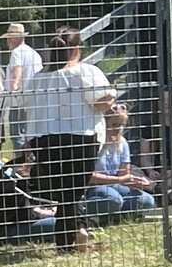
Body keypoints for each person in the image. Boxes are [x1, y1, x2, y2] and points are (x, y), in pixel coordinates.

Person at [20, 25, 115, 252]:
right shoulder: (86, 72)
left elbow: (24, 105)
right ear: (77, 49)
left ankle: (74, 237)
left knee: (66, 192)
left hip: (44, 141)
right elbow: (101, 102)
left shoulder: (38, 78)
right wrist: (111, 99)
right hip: (80, 139)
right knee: (72, 191)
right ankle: (75, 238)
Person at [83, 103, 155, 221]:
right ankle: (90, 213)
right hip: (93, 188)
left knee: (147, 200)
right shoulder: (95, 142)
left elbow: (124, 175)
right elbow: (88, 177)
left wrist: (135, 182)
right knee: (114, 199)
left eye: (122, 125)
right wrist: (120, 180)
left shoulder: (123, 142)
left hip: (115, 186)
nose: (119, 129)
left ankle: (111, 218)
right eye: (114, 125)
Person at [2, 21, 42, 154]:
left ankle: (20, 161)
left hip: (18, 101)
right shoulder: (34, 54)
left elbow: (17, 70)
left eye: (10, 37)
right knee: (29, 134)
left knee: (17, 134)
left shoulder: (16, 53)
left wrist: (14, 86)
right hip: (34, 100)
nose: (8, 40)